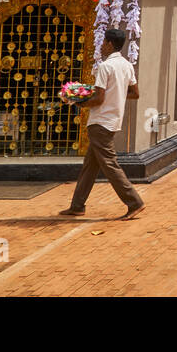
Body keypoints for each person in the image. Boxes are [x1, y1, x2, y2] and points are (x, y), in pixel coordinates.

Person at [59, 28, 144, 220]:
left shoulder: (106, 66)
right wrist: (117, 96)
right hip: (113, 120)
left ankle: (134, 202)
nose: (102, 45)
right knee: (90, 165)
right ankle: (77, 205)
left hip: (101, 121)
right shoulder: (127, 65)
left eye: (104, 42)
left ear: (109, 44)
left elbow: (98, 98)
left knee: (109, 164)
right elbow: (135, 93)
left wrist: (78, 102)